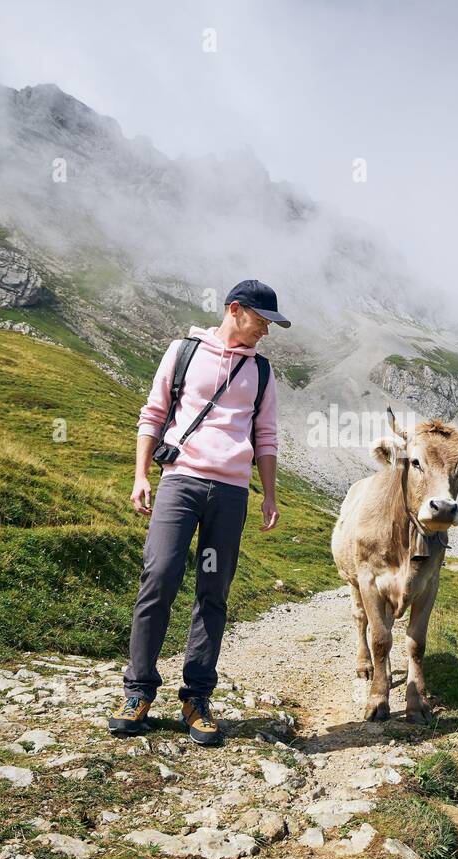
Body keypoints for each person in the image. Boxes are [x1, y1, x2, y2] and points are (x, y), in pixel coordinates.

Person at [109, 280, 287, 744]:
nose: (267, 331)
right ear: (235, 310)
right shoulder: (184, 352)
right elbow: (153, 413)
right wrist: (141, 475)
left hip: (230, 492)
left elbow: (265, 437)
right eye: (262, 321)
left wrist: (267, 494)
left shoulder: (262, 373)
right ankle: (138, 692)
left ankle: (196, 698)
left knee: (214, 593)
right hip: (181, 482)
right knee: (159, 578)